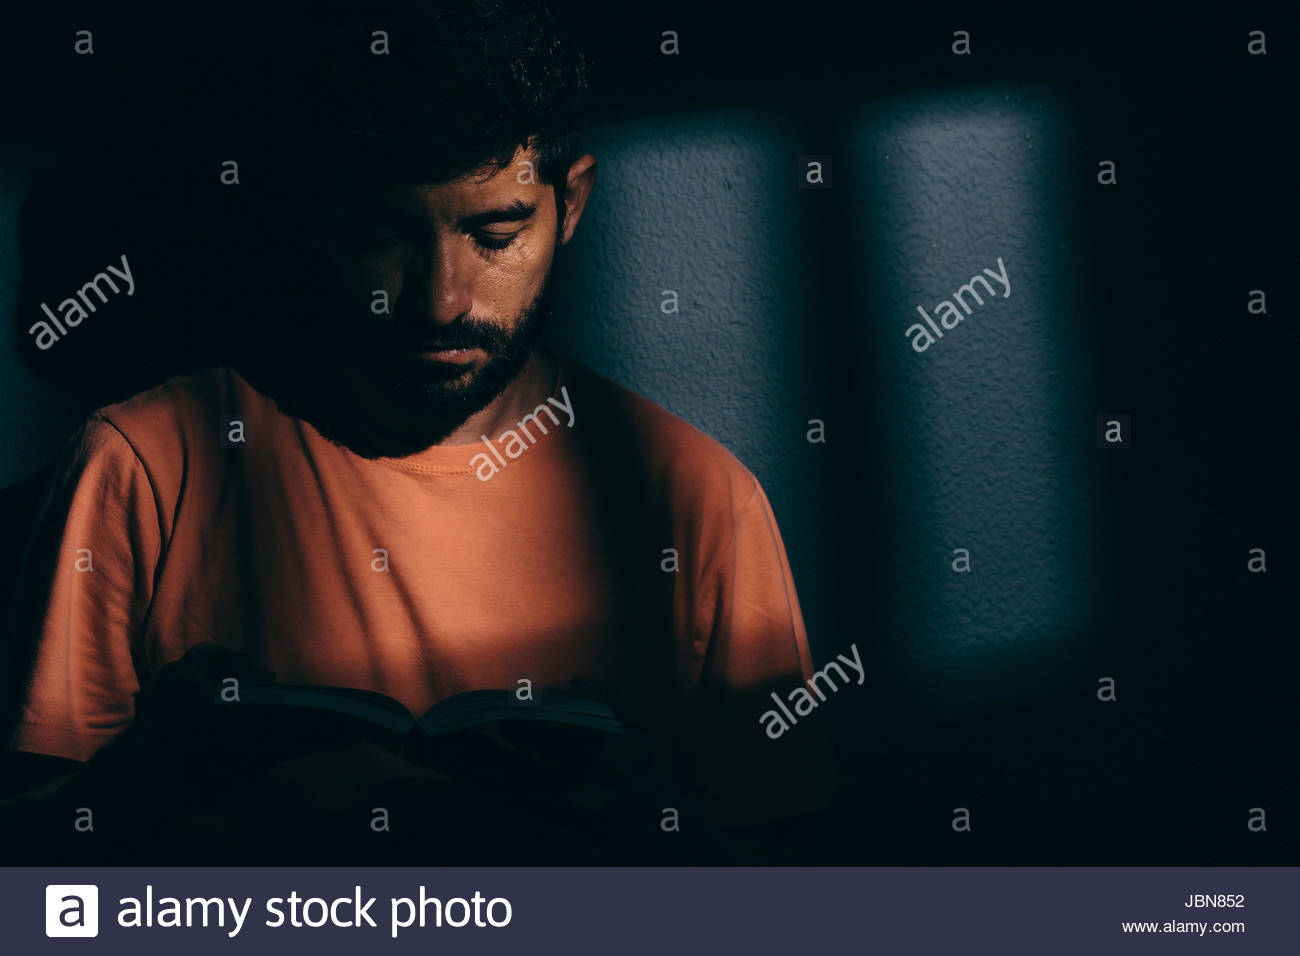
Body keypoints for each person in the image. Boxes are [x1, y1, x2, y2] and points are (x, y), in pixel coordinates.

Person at [2, 0, 833, 855]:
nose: (441, 301)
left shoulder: (693, 497)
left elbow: (786, 884)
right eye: (383, 233)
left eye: (495, 233)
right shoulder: (147, 466)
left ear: (572, 202)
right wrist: (157, 776)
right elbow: (38, 885)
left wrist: (643, 828)